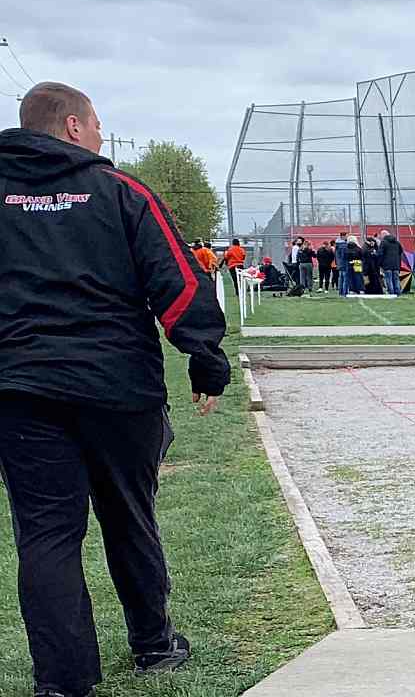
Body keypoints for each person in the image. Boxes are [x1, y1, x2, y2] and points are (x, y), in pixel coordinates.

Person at [0, 82, 228, 697]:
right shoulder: (120, 191)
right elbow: (177, 280)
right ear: (74, 126)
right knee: (129, 516)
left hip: (20, 389)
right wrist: (205, 356)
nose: (102, 134)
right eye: (97, 123)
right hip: (117, 387)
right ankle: (153, 644)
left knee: (46, 533)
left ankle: (62, 682)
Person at [379, 230, 405, 298]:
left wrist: (380, 264)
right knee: (396, 279)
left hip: (387, 265)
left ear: (383, 235)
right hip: (396, 264)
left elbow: (380, 254)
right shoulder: (397, 242)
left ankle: (391, 293)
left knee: (389, 279)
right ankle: (398, 293)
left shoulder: (383, 242)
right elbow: (401, 252)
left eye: (381, 235)